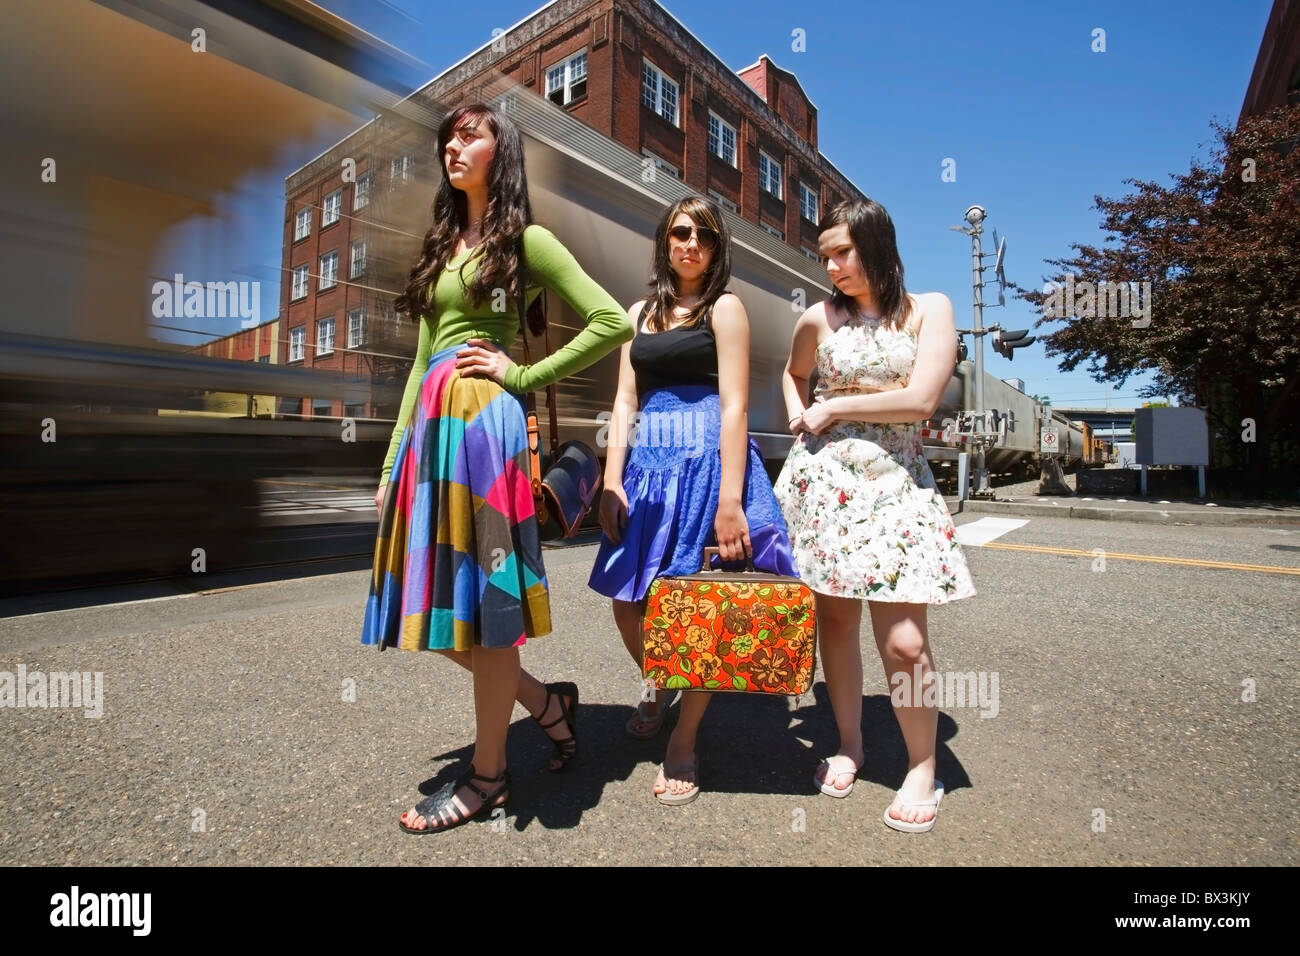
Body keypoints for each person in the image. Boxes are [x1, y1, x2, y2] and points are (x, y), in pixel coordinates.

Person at [360, 104, 632, 833]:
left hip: (487, 431)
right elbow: (422, 363)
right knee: (441, 607)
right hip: (433, 435)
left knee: (489, 607)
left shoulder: (528, 242)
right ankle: (547, 705)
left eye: (469, 134)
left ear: (499, 151)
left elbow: (614, 321)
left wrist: (520, 372)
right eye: (447, 135)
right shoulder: (444, 245)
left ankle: (488, 779)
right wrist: (392, 462)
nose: (453, 144)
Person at [773, 198, 976, 833]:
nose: (831, 266)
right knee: (834, 618)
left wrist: (831, 410)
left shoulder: (930, 309)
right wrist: (797, 413)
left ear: (878, 245)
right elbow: (792, 372)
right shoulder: (817, 316)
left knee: (905, 639)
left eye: (843, 252)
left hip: (895, 487)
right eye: (825, 255)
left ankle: (923, 763)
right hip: (824, 483)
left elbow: (920, 400)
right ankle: (851, 743)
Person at [588, 196, 796, 805]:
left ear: (715, 248)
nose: (691, 245)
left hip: (706, 464)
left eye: (704, 236)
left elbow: (735, 404)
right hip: (647, 466)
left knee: (696, 602)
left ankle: (684, 739)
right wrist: (611, 477)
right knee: (630, 604)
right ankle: (660, 680)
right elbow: (625, 400)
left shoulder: (725, 308)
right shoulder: (639, 312)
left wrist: (731, 498)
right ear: (665, 240)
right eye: (680, 233)